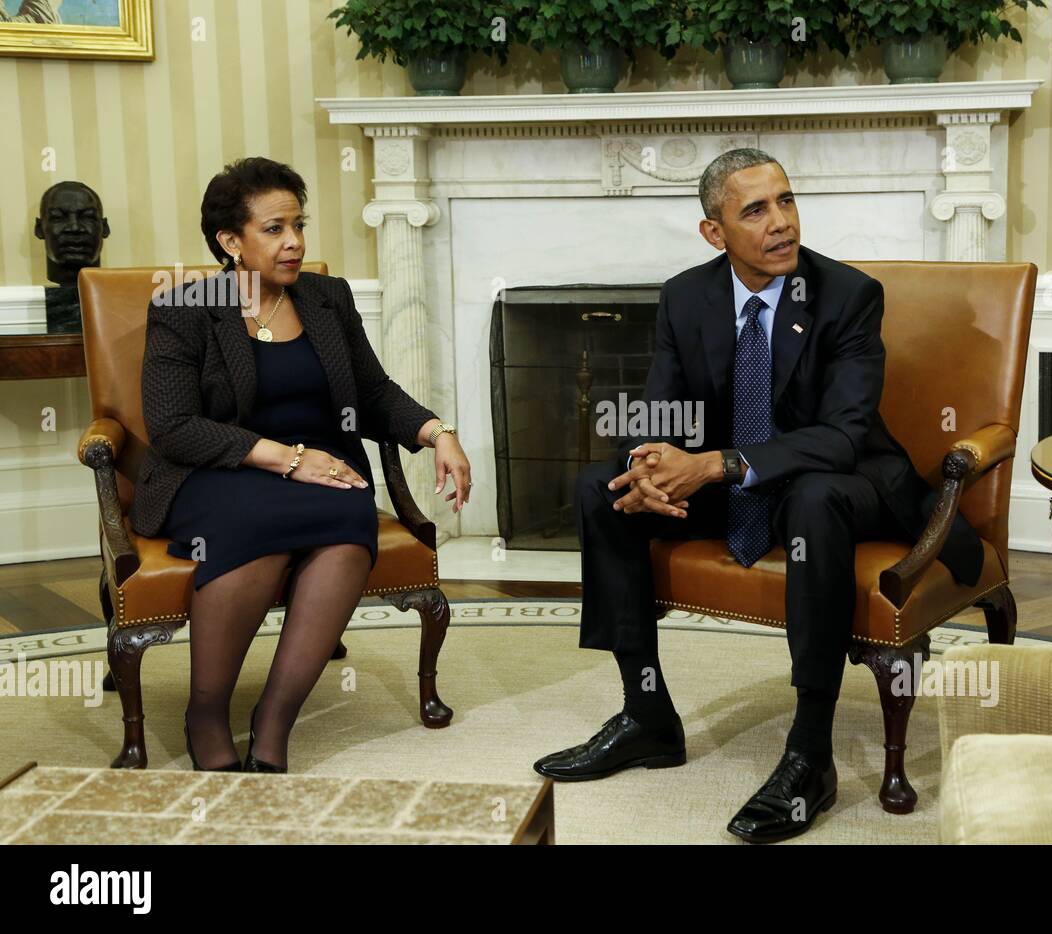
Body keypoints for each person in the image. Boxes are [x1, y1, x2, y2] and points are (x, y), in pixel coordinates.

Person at [533, 148, 985, 842]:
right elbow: (662, 414)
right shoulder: (687, 296)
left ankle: (810, 753)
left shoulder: (847, 295)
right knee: (602, 486)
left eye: (786, 201)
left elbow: (841, 436)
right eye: (754, 211)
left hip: (847, 483)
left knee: (813, 496)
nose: (780, 223)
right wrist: (650, 463)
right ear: (714, 232)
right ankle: (646, 716)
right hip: (743, 485)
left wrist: (715, 464)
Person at [130, 156, 471, 773]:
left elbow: (372, 392)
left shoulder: (326, 298)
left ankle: (273, 719)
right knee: (252, 530)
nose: (294, 242)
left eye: (299, 224)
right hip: (217, 472)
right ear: (230, 241)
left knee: (347, 527)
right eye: (274, 229)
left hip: (323, 473)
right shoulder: (184, 310)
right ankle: (206, 713)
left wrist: (435, 430)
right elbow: (175, 427)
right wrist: (287, 459)